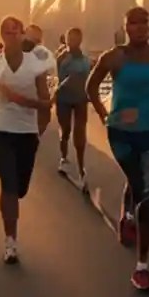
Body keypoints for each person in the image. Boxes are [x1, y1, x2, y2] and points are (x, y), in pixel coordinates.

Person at [86, 7, 149, 293]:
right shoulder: (114, 57)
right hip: (121, 134)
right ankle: (128, 215)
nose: (139, 27)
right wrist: (103, 114)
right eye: (133, 23)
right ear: (125, 27)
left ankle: (142, 267)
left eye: (144, 22)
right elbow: (91, 86)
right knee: (137, 182)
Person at [0, 16, 51, 264]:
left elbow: (45, 103)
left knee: (19, 189)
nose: (11, 36)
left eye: (15, 32)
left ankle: (11, 229)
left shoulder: (36, 66)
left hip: (27, 132)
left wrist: (20, 102)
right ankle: (10, 242)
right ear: (2, 36)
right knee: (8, 183)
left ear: (22, 36)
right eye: (6, 32)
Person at [54, 27, 92, 189]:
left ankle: (82, 168)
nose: (73, 41)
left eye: (76, 38)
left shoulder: (85, 60)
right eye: (70, 38)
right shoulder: (62, 58)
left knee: (80, 133)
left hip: (80, 99)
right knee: (66, 130)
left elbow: (88, 79)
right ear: (66, 39)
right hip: (63, 98)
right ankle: (63, 158)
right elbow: (60, 78)